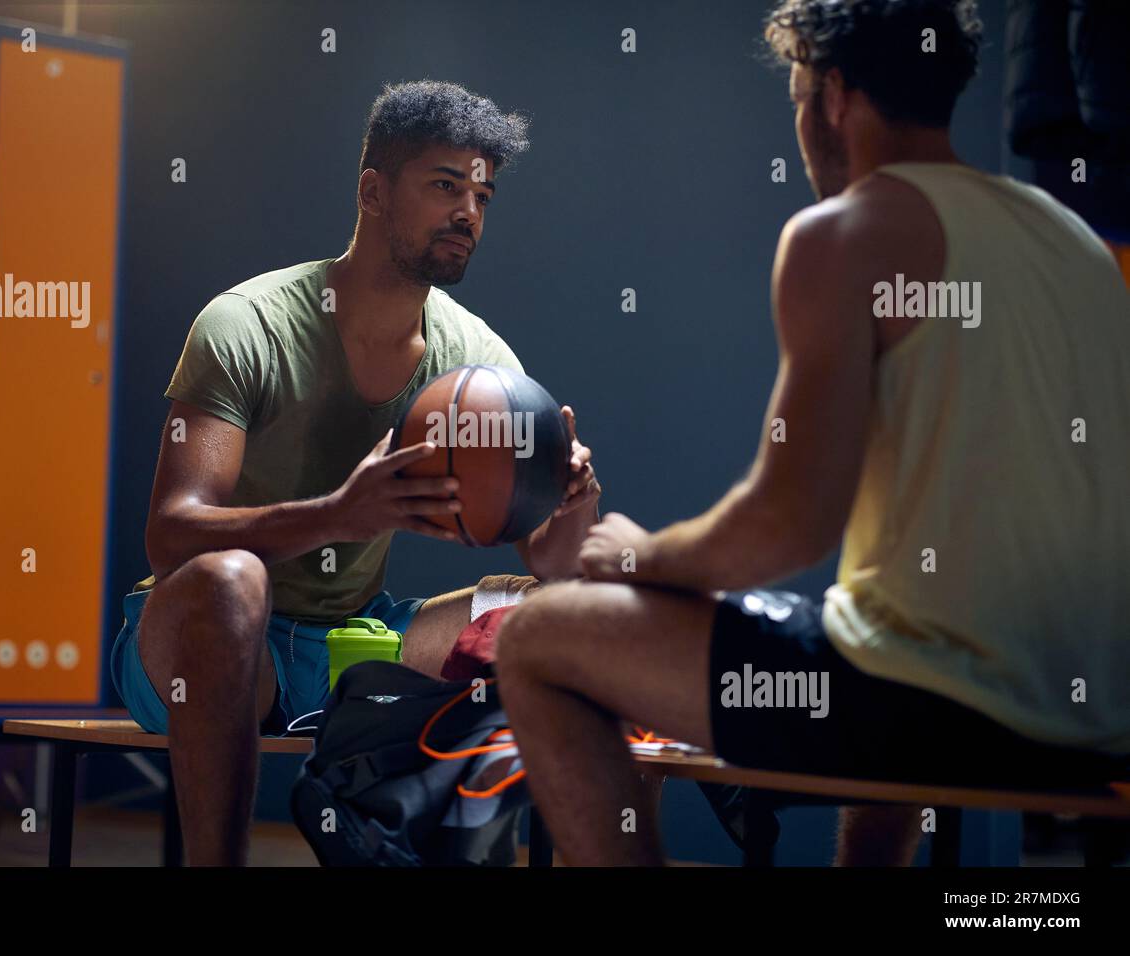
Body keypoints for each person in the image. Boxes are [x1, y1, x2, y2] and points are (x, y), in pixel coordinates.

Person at [496, 0, 1130, 866]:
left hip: (935, 708)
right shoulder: (1075, 243)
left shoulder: (845, 231)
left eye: (797, 97)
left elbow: (787, 526)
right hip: (1093, 719)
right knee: (867, 624)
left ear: (834, 94)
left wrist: (638, 558)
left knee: (538, 638)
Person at [110, 80, 601, 865]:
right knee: (231, 580)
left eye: (483, 193)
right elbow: (171, 537)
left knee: (545, 613)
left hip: (355, 639)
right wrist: (342, 514)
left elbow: (547, 557)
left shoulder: (479, 362)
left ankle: (417, 843)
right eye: (445, 185)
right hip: (205, 641)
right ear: (373, 190)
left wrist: (572, 495)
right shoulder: (248, 324)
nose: (469, 212)